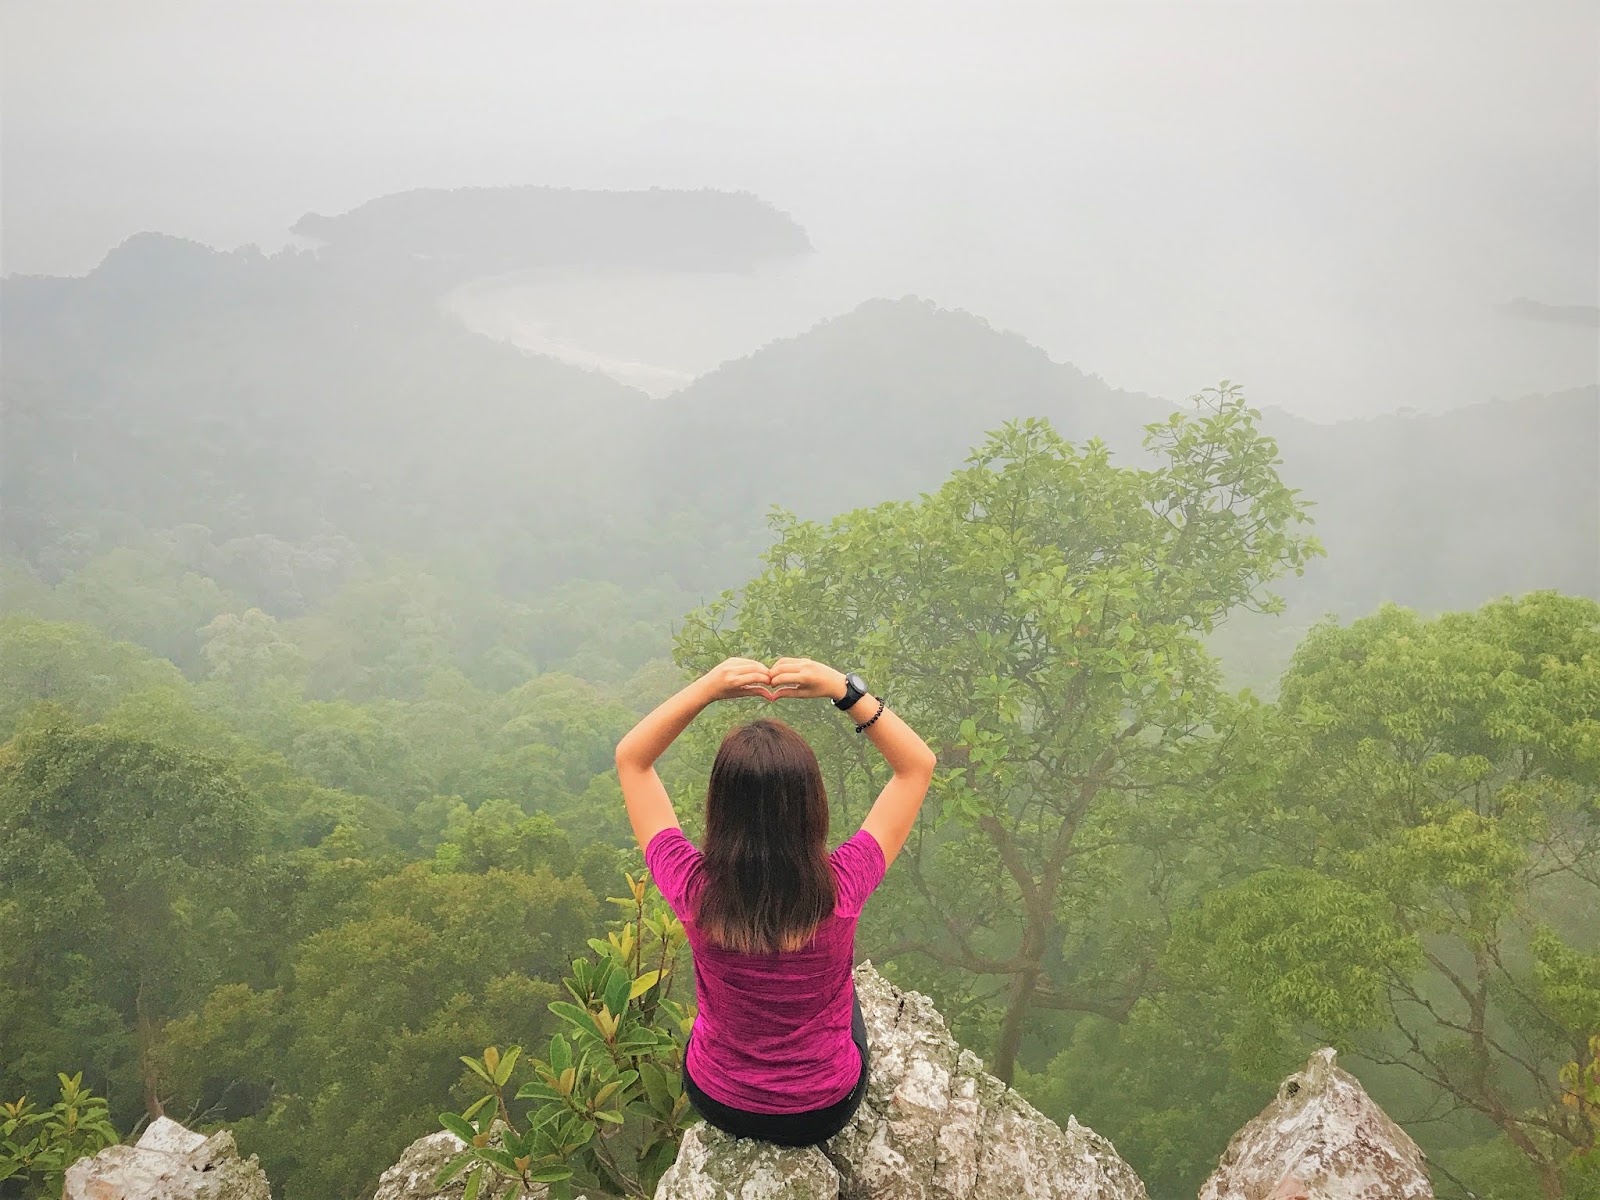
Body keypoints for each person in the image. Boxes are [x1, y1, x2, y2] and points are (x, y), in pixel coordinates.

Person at [615, 656, 936, 1146]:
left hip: (718, 1098)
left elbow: (632, 759)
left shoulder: (693, 888)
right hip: (824, 1109)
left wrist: (707, 689)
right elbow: (917, 766)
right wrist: (841, 688)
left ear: (720, 807)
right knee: (847, 996)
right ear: (812, 806)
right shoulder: (842, 886)